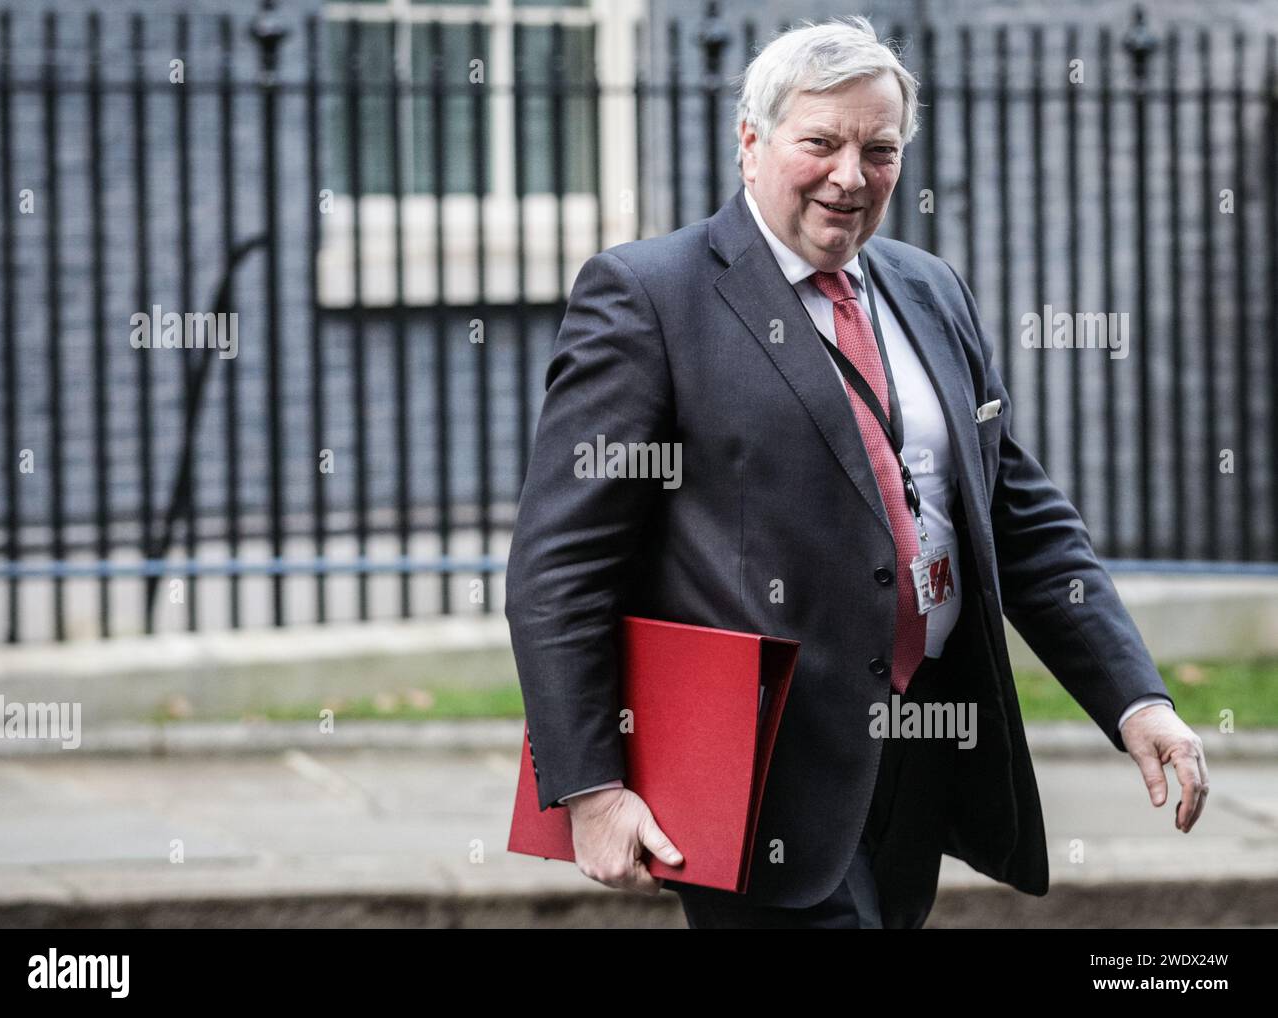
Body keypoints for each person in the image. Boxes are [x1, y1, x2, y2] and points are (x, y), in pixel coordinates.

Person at [503, 16, 1209, 929]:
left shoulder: (929, 288)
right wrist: (591, 787)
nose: (850, 175)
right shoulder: (648, 297)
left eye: (879, 149)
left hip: (914, 751)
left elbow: (1016, 513)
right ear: (751, 143)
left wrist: (1134, 698)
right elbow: (557, 567)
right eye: (820, 143)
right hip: (755, 779)